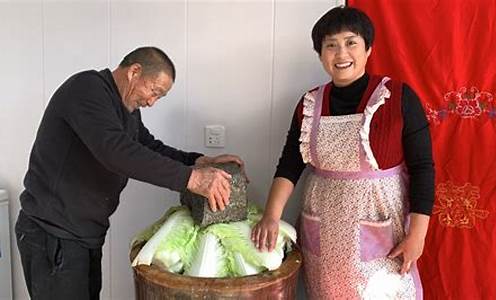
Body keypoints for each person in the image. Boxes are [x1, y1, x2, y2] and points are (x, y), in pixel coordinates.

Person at [15, 46, 245, 300]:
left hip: (84, 235)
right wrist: (192, 179)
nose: (151, 102)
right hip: (53, 233)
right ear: (134, 71)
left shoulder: (126, 111)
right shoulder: (87, 89)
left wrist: (199, 161)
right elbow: (116, 152)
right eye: (153, 91)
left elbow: (148, 147)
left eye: (159, 97)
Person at [251, 6, 434, 299]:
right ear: (320, 54)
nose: (341, 53)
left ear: (368, 49)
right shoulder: (310, 103)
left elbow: (423, 168)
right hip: (323, 228)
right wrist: (271, 216)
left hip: (383, 230)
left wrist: (418, 235)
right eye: (330, 45)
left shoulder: (398, 97)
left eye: (351, 42)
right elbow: (289, 164)